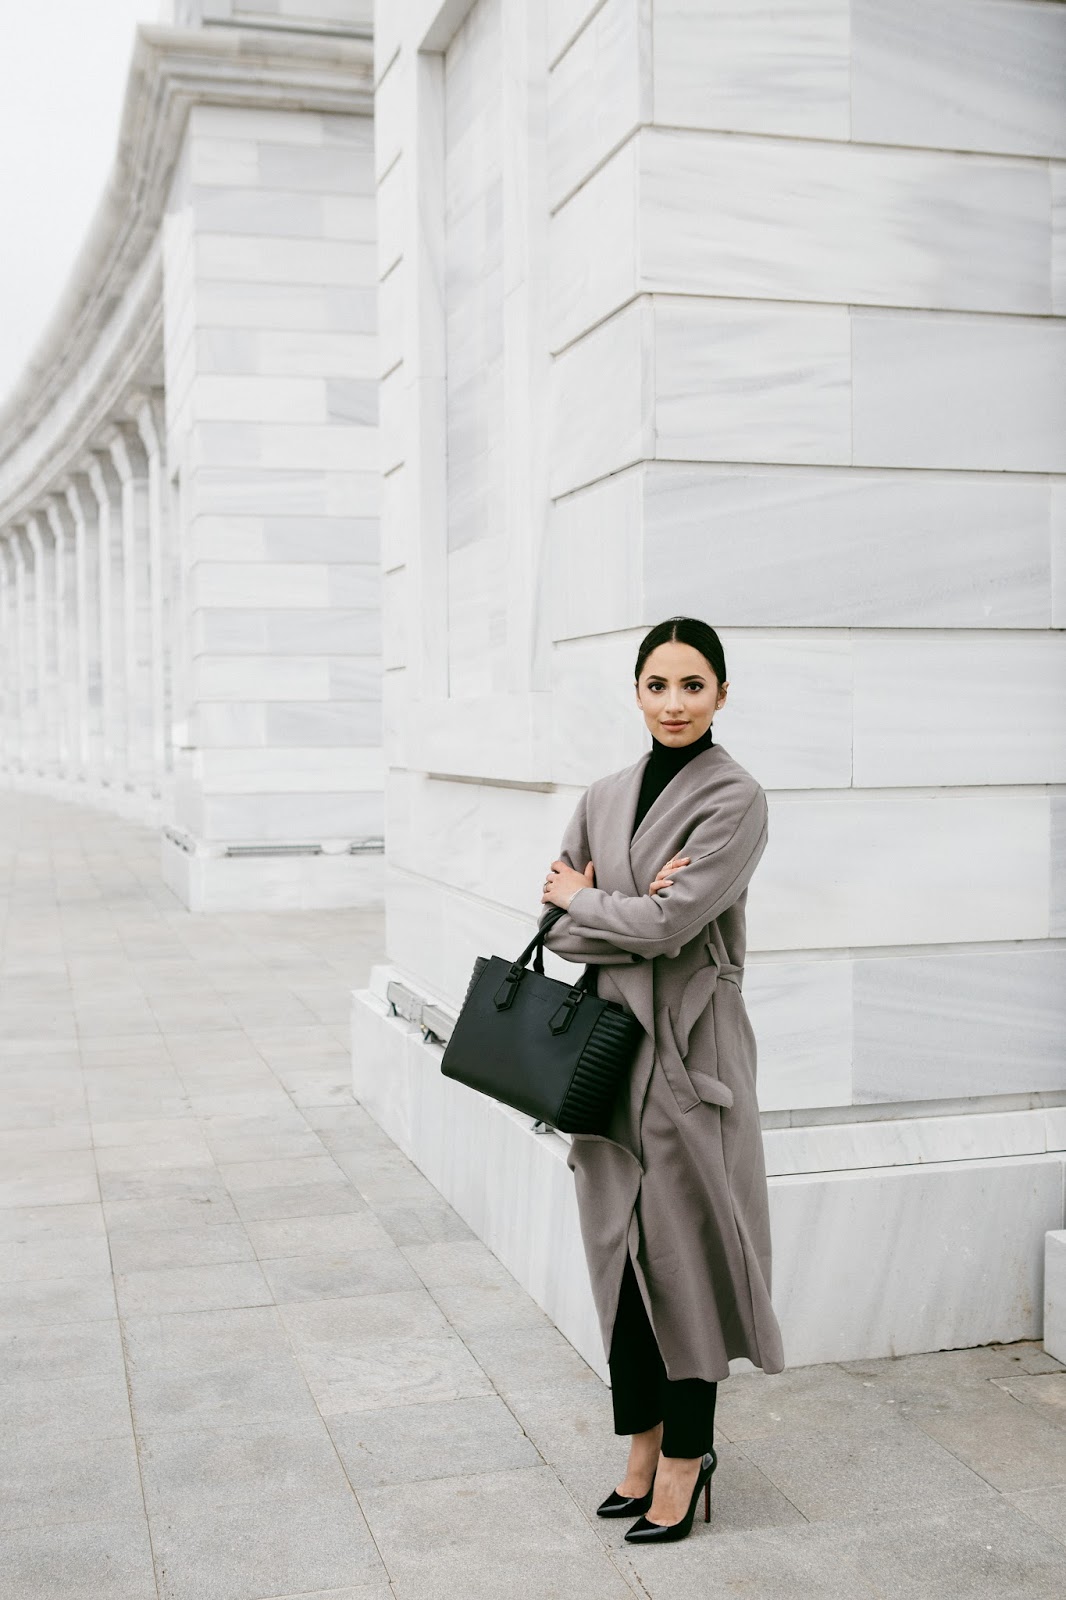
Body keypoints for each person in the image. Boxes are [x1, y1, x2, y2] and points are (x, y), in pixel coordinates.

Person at [538, 615, 784, 1544]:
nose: (673, 703)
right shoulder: (604, 794)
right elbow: (559, 927)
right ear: (636, 693)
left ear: (722, 693)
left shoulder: (736, 799)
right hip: (608, 1053)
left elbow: (673, 927)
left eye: (692, 685)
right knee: (619, 1258)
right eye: (656, 685)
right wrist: (622, 909)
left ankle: (687, 1456)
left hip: (691, 1059)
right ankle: (638, 1444)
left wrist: (603, 905)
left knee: (683, 1261)